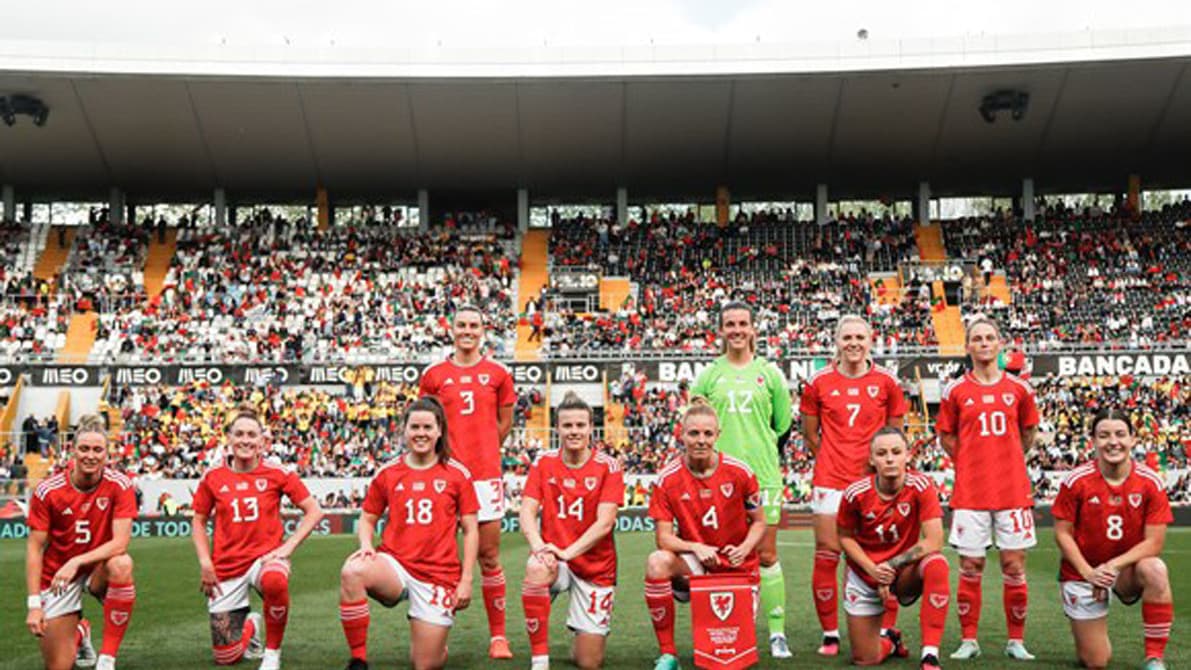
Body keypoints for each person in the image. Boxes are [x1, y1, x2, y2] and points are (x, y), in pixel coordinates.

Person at [338, 397, 480, 670]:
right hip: (396, 566)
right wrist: (367, 545)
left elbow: (471, 530)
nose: (421, 434)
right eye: (414, 427)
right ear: (404, 430)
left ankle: (434, 641)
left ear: (440, 431)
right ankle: (358, 659)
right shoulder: (389, 472)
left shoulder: (457, 474)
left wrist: (467, 580)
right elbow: (367, 518)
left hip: (438, 575)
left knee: (424, 664)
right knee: (352, 571)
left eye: (428, 427)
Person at [690, 301, 794, 658]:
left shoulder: (770, 373)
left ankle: (777, 633)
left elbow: (782, 426)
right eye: (729, 324)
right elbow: (696, 425)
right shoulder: (708, 375)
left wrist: (756, 454)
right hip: (718, 480)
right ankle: (728, 630)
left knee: (765, 553)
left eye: (742, 324)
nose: (736, 329)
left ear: (753, 329)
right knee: (723, 555)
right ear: (720, 330)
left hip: (762, 475)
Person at [800, 315, 907, 655]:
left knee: (882, 558)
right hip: (830, 481)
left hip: (874, 485)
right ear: (837, 340)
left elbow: (894, 436)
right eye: (847, 337)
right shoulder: (818, 382)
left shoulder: (887, 382)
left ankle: (886, 629)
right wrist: (833, 459)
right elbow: (810, 433)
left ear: (870, 340)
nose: (854, 343)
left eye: (860, 337)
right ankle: (830, 634)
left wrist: (876, 472)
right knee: (827, 555)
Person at [936, 317, 1039, 660]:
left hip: (1012, 490)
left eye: (989, 337)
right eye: (977, 338)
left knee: (1014, 565)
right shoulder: (955, 391)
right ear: (968, 346)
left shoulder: (1019, 389)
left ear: (999, 344)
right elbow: (946, 436)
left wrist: (1004, 459)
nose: (983, 343)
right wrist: (972, 462)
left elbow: (1027, 434)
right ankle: (969, 640)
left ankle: (1016, 641)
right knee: (970, 566)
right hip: (971, 492)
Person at [191, 405, 324, 670]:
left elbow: (314, 511)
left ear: (262, 441)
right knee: (226, 657)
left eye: (252, 435)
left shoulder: (278, 472)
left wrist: (287, 548)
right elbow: (198, 519)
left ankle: (272, 653)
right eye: (239, 434)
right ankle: (252, 624)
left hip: (266, 559)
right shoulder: (213, 477)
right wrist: (205, 562)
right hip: (227, 566)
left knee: (275, 579)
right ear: (229, 438)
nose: (245, 441)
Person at [418, 305, 516, 659]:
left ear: (483, 330)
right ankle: (436, 635)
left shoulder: (499, 373)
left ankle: (498, 637)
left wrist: (484, 451)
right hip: (444, 479)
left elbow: (504, 424)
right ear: (452, 329)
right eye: (462, 325)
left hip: (485, 477)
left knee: (489, 556)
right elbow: (426, 426)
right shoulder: (434, 374)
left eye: (474, 325)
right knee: (439, 558)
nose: (468, 331)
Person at [643, 399, 767, 670]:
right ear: (681, 434)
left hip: (738, 566)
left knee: (728, 659)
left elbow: (759, 522)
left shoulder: (740, 473)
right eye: (694, 433)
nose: (701, 440)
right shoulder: (667, 479)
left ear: (717, 435)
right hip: (696, 566)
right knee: (657, 561)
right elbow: (664, 539)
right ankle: (668, 654)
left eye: (708, 433)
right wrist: (695, 547)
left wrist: (745, 548)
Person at [1052, 409, 1174, 670]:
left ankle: (1154, 658)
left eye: (1120, 434)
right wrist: (1089, 573)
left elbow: (1154, 543)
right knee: (1095, 662)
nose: (1113, 442)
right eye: (1104, 435)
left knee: (1155, 569)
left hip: (1124, 571)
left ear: (1133, 439)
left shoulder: (1151, 482)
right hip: (1082, 572)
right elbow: (1062, 533)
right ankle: (1083, 627)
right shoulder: (1076, 481)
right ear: (1093, 441)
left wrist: (1111, 567)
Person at [520, 392, 624, 670]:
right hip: (555, 561)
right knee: (535, 567)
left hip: (595, 567)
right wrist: (539, 547)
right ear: (557, 428)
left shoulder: (608, 466)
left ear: (591, 428)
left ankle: (580, 628)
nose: (574, 431)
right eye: (567, 425)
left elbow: (605, 522)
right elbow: (527, 512)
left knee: (588, 662)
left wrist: (567, 551)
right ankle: (540, 661)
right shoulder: (543, 462)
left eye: (580, 425)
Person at [25, 414, 137, 670]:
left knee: (122, 563)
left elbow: (120, 542)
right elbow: (34, 548)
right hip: (58, 577)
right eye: (84, 448)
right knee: (59, 666)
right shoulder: (48, 490)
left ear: (107, 455)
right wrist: (33, 605)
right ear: (72, 450)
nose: (91, 455)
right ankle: (80, 633)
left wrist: (77, 561)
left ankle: (107, 659)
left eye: (98, 450)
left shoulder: (120, 485)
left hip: (98, 569)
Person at [838, 427, 950, 670]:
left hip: (902, 573)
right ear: (872, 459)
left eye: (896, 452)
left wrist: (890, 565)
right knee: (865, 660)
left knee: (937, 564)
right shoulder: (855, 493)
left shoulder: (921, 486)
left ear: (907, 456)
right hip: (865, 575)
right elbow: (845, 538)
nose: (889, 458)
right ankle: (891, 639)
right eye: (882, 453)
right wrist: (873, 569)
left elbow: (934, 540)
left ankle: (930, 655)